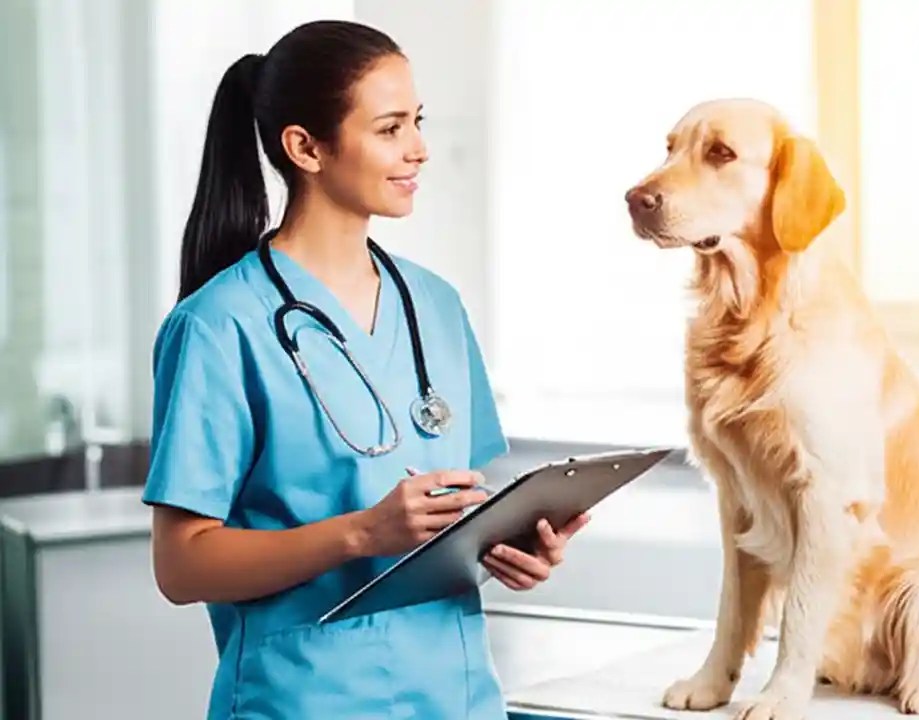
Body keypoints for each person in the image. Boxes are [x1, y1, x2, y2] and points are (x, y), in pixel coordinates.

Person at [142, 19, 588, 719]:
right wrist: (361, 533)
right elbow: (181, 565)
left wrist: (510, 545)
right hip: (300, 698)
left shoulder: (435, 306)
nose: (419, 149)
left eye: (417, 121)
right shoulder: (219, 324)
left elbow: (454, 514)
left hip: (456, 695)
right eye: (389, 128)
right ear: (305, 147)